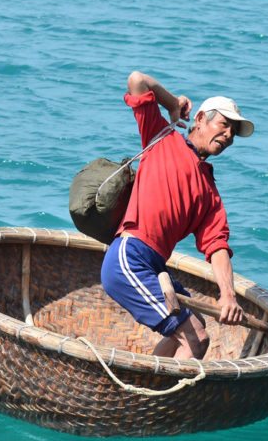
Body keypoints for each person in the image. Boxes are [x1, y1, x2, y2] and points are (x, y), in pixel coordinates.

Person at [100, 71, 255, 360]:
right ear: (199, 119)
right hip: (128, 257)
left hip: (155, 266)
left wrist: (228, 296)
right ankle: (152, 402)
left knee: (199, 331)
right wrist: (172, 103)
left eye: (234, 133)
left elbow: (218, 247)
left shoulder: (209, 192)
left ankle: (147, 392)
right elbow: (137, 80)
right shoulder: (161, 137)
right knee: (194, 338)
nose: (229, 135)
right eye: (224, 124)